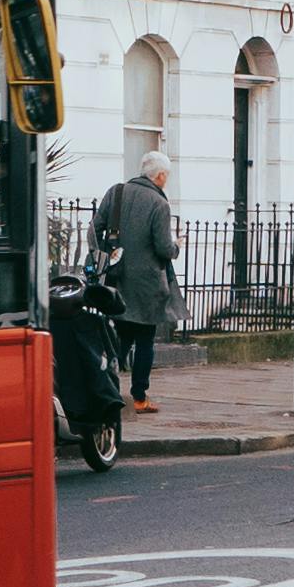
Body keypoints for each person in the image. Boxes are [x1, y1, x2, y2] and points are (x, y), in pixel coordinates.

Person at [95, 150, 180, 412]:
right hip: (147, 285)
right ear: (161, 176)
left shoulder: (116, 192)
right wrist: (176, 246)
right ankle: (140, 397)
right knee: (144, 340)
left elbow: (96, 227)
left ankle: (106, 388)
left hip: (116, 279)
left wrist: (107, 255)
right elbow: (164, 249)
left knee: (119, 337)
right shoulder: (159, 203)